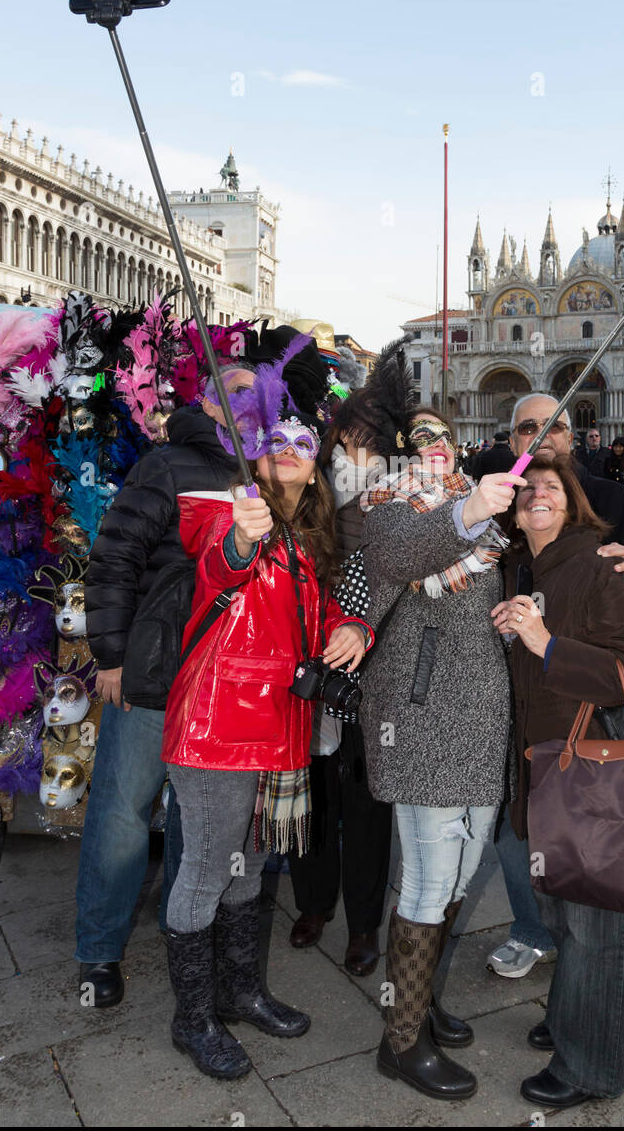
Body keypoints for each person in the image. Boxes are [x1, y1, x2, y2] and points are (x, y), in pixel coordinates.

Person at [161, 377, 374, 1079]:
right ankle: (192, 1020)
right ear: (254, 463)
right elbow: (218, 562)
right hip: (218, 724)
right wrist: (244, 541)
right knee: (202, 871)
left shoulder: (318, 536)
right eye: (274, 442)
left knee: (248, 866)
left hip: (283, 727)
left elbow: (329, 609)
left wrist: (350, 623)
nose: (286, 449)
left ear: (316, 464)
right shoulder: (231, 515)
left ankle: (239, 990)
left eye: (302, 442)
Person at [358, 406, 522, 1099]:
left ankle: (416, 998)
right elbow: (399, 558)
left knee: (459, 875)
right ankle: (400, 1044)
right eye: (416, 437)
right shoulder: (389, 506)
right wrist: (464, 515)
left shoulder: (477, 506)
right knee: (427, 880)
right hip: (421, 716)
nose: (432, 445)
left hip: (482, 715)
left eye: (440, 434)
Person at [78, 362, 251, 1007]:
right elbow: (115, 555)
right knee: (124, 812)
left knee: (197, 818)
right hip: (156, 671)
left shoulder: (267, 469)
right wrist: (112, 654)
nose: (248, 404)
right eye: (234, 392)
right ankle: (98, 951)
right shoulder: (167, 465)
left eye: (258, 395)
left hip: (223, 683)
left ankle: (186, 928)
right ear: (206, 401)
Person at [486, 394, 624, 978]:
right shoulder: (509, 548)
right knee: (519, 847)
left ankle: (602, 989)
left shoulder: (604, 536)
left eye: (556, 427)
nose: (542, 438)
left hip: (584, 750)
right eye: (529, 428)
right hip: (525, 746)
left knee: (587, 889)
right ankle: (544, 941)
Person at [493, 452, 624, 1107]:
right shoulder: (517, 569)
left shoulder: (601, 562)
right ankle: (572, 1021)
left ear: (574, 501)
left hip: (592, 767)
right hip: (543, 768)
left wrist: (544, 643)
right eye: (527, 487)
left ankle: (591, 1067)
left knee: (596, 926)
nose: (538, 495)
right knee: (564, 914)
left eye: (552, 488)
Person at [284, 332, 416, 975]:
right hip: (312, 666)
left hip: (378, 674)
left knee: (366, 804)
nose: (355, 456)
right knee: (312, 790)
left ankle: (364, 924)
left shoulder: (403, 503)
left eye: (369, 446)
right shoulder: (309, 502)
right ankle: (313, 903)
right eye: (347, 444)